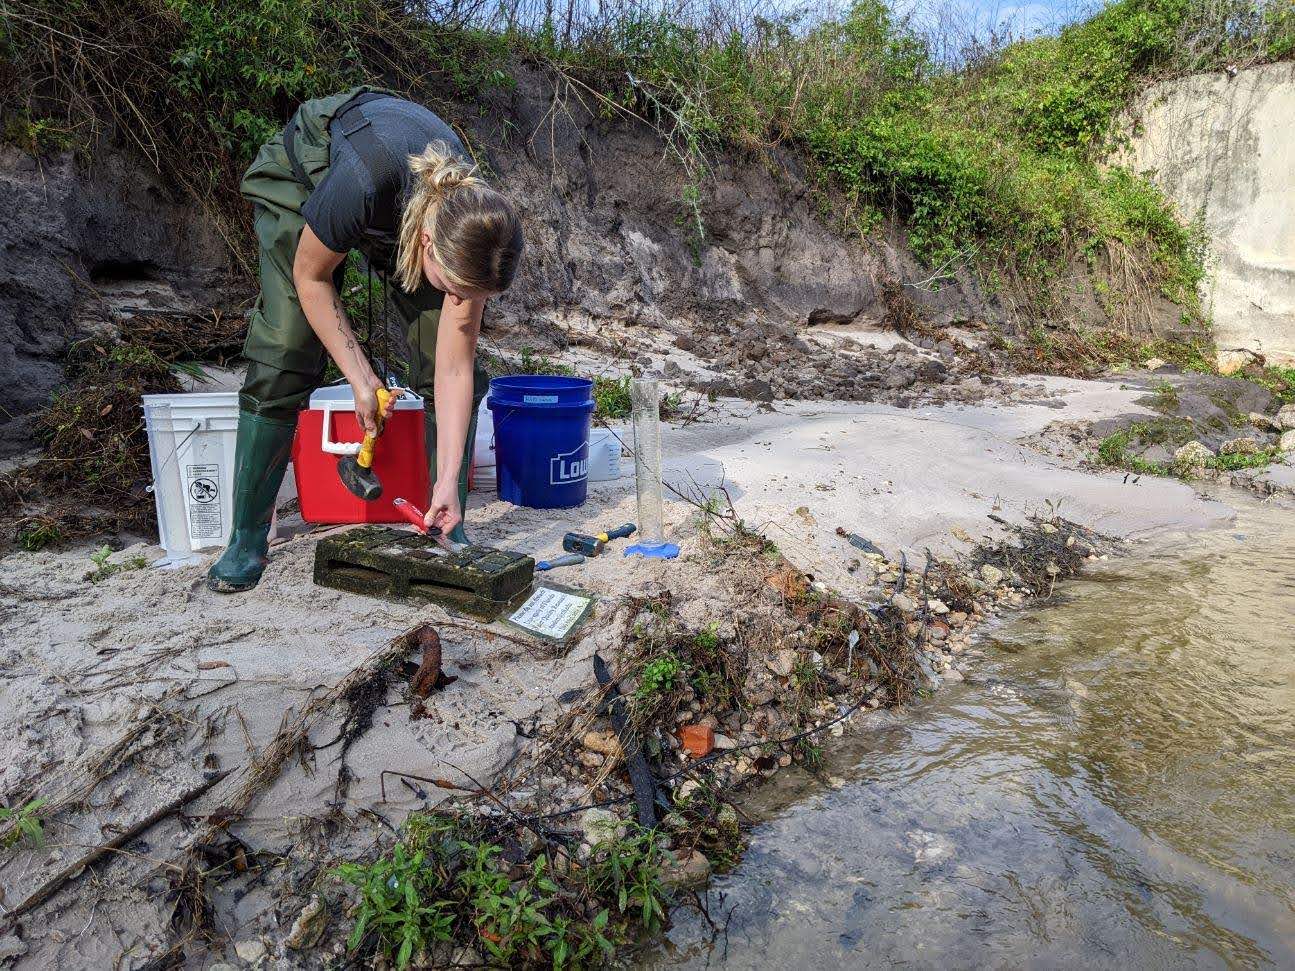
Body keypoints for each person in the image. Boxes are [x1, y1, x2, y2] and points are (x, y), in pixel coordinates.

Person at [207, 87, 524, 593]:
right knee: (289, 347)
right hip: (308, 175)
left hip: (398, 204)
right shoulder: (362, 183)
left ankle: (444, 511)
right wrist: (360, 379)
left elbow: (455, 368)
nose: (460, 301)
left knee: (431, 347)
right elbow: (313, 280)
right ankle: (245, 537)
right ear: (425, 242)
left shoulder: (477, 228)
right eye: (454, 288)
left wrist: (448, 482)